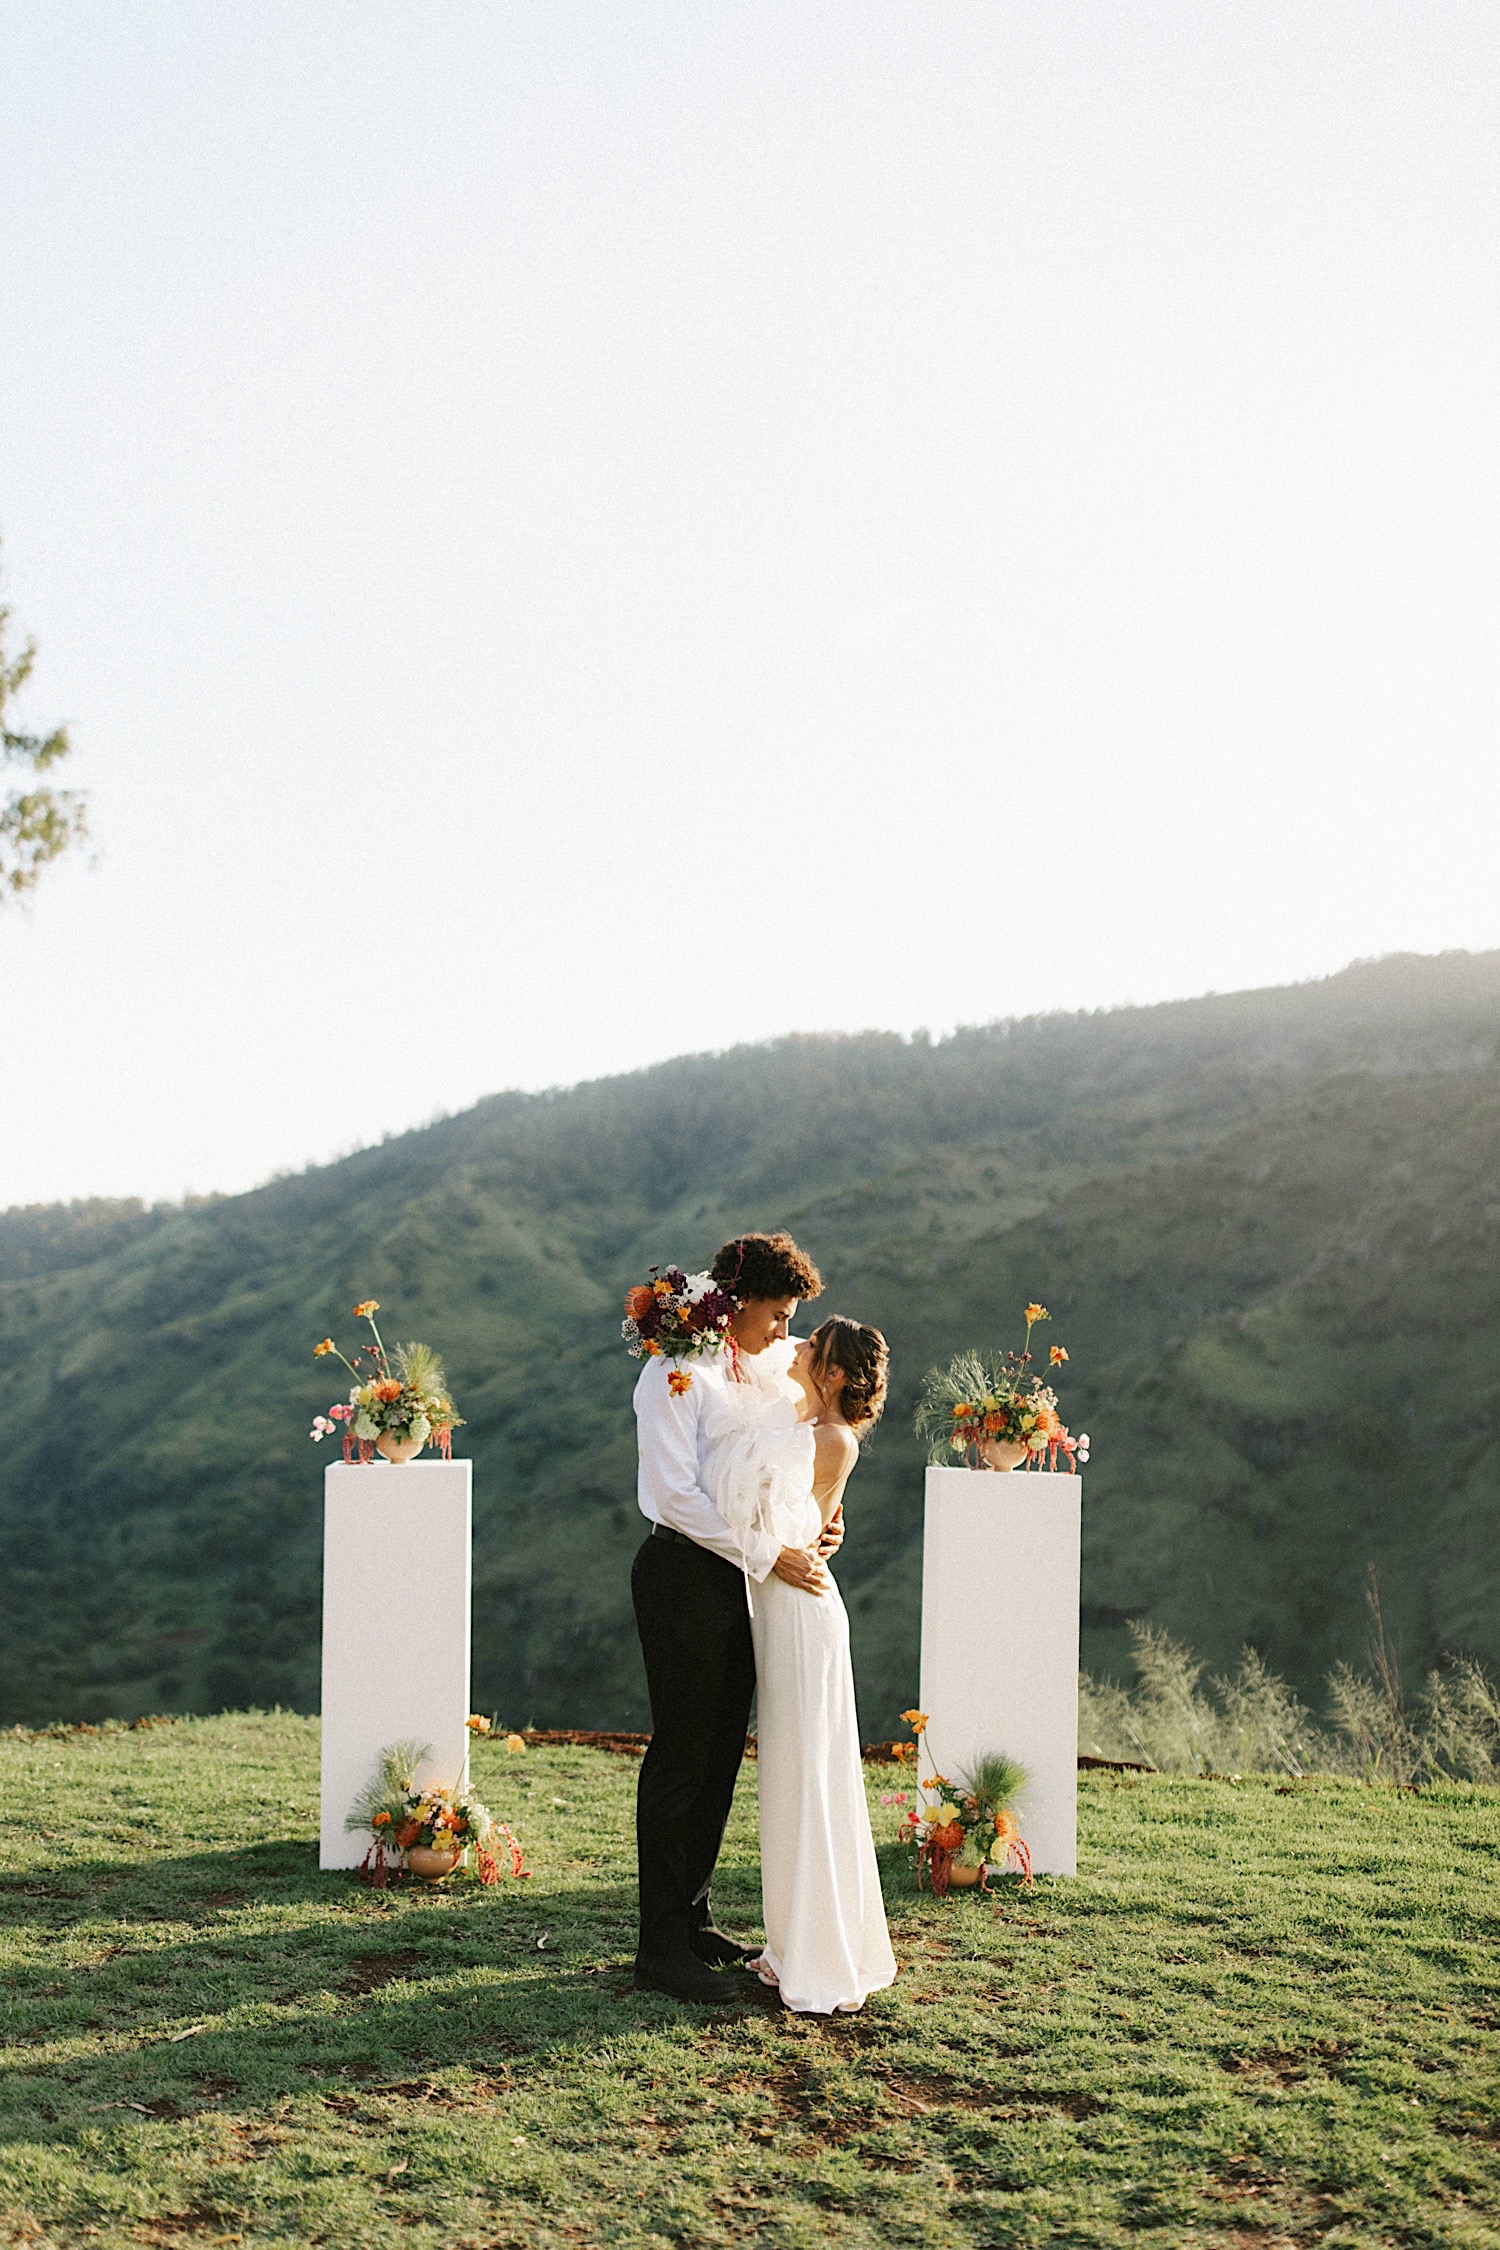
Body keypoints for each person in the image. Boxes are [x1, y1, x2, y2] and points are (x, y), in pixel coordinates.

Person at [630, 1230, 830, 2003]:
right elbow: (678, 1495)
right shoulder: (675, 1374)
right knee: (682, 1755)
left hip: (737, 1575)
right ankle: (658, 1950)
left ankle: (692, 1920)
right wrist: (765, 1552)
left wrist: (809, 1526)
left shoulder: (754, 1370)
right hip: (682, 1572)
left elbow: (759, 1474)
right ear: (738, 1304)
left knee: (720, 1752)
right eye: (778, 1315)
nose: (786, 1331)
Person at [700, 1314, 898, 2014]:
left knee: (809, 1774)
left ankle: (819, 1954)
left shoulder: (827, 1439)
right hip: (780, 1605)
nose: (797, 1345)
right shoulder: (800, 1425)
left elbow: (758, 1509)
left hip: (801, 1612)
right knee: (789, 1772)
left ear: (835, 1372)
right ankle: (794, 1944)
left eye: (810, 1344)